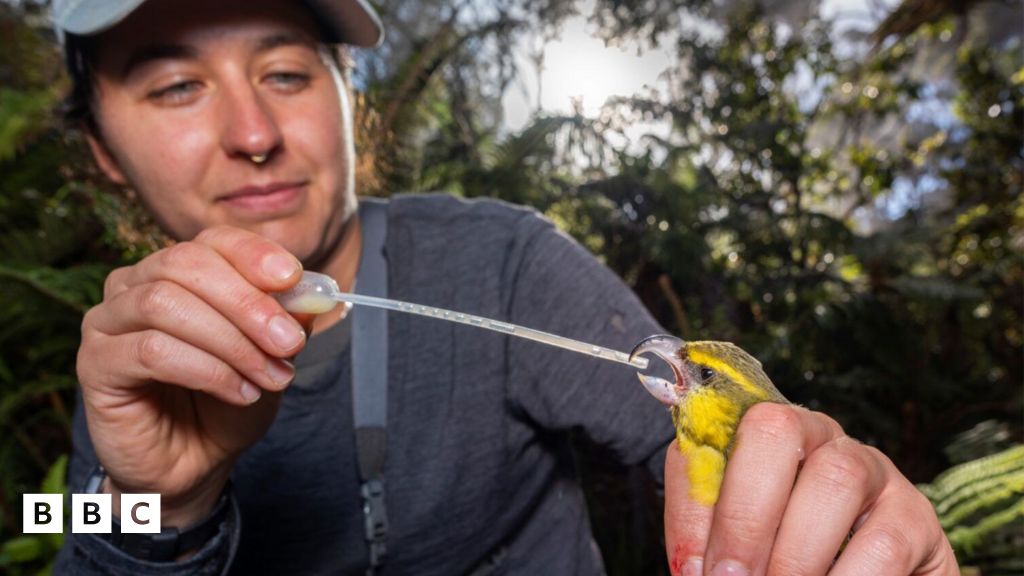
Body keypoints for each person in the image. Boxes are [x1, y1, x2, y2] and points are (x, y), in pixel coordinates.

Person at [50, 0, 958, 574]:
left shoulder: (503, 265)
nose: (253, 133)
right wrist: (150, 505)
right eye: (175, 86)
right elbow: (55, 520)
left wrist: (843, 520)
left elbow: (727, 443)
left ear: (348, 96)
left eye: (286, 73)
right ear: (102, 150)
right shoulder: (129, 361)